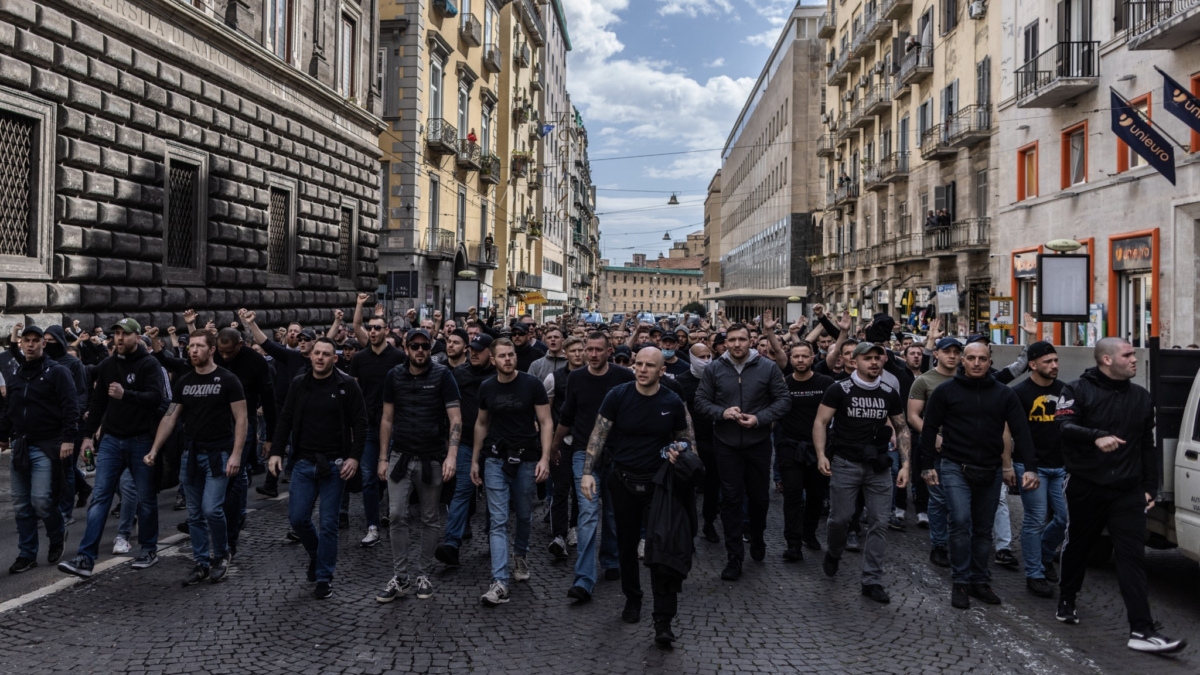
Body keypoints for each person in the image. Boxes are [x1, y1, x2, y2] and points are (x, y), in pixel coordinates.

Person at [1055, 338, 1186, 653]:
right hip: (1086, 485)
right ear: (1106, 360)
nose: (1134, 359)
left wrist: (1148, 488)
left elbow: (1146, 445)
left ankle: (1141, 630)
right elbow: (1064, 426)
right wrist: (1096, 437)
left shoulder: (1141, 397)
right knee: (1079, 545)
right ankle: (1067, 597)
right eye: (1127, 354)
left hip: (1127, 491)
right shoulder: (1076, 390)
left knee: (1132, 557)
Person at [580, 347, 694, 646]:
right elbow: (598, 435)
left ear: (661, 370)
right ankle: (633, 598)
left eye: (649, 365)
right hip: (623, 480)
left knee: (662, 549)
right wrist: (588, 471)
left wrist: (678, 452)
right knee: (626, 546)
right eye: (638, 364)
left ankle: (663, 619)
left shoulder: (672, 401)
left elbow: (686, 441)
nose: (642, 369)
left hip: (660, 484)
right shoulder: (618, 395)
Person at [920, 342, 1038, 610]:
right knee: (960, 521)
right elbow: (929, 429)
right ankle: (960, 581)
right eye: (971, 358)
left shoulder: (1004, 394)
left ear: (989, 360)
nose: (976, 363)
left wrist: (1029, 467)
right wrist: (927, 465)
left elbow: (1021, 431)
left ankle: (978, 580)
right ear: (962, 360)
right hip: (954, 466)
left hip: (990, 469)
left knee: (984, 530)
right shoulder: (945, 391)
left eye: (982, 359)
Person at [59, 319, 168, 578]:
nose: (119, 338)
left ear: (137, 337)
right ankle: (85, 558)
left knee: (145, 498)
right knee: (100, 497)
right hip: (110, 440)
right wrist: (87, 437)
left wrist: (126, 394)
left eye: (124, 334)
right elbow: (98, 403)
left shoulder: (149, 364)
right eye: (116, 334)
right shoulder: (108, 365)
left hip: (141, 439)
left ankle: (149, 549)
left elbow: (157, 399)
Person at [143, 331, 247, 585]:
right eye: (191, 346)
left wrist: (236, 454)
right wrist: (155, 449)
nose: (193, 350)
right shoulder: (184, 382)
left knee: (212, 509)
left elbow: (242, 419)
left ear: (212, 349)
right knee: (194, 514)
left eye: (200, 346)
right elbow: (170, 416)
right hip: (190, 456)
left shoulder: (228, 379)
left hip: (219, 454)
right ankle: (201, 562)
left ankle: (222, 555)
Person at [269, 338, 368, 600]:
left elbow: (360, 424)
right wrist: (276, 451)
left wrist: (354, 458)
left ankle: (324, 576)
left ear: (334, 359)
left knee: (328, 524)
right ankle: (315, 553)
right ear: (310, 356)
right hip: (303, 462)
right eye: (317, 354)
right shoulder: (299, 384)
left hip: (335, 464)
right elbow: (286, 418)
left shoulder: (347, 385)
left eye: (326, 354)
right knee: (298, 519)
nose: (321, 358)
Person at [813, 342, 910, 603]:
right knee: (840, 519)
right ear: (855, 362)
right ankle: (834, 551)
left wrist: (905, 464)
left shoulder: (889, 392)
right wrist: (822, 455)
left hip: (877, 467)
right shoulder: (839, 389)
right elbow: (821, 422)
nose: (875, 362)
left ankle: (872, 580)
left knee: (880, 521)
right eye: (868, 358)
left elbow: (901, 429)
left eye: (878, 358)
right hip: (845, 463)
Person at [694, 323, 791, 581]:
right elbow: (701, 402)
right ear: (726, 343)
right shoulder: (714, 368)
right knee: (732, 499)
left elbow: (783, 401)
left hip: (758, 443)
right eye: (732, 340)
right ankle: (734, 556)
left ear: (751, 341)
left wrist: (759, 418)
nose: (737, 344)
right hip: (725, 443)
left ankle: (757, 536)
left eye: (742, 339)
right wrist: (722, 413)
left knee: (759, 499)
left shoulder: (767, 367)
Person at [375, 329, 462, 602]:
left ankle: (423, 573)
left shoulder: (443, 375)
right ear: (406, 347)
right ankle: (401, 576)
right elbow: (387, 419)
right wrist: (382, 457)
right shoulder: (394, 376)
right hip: (400, 456)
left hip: (432, 458)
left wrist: (452, 455)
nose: (421, 350)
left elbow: (456, 418)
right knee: (397, 515)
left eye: (425, 346)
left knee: (429, 517)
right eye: (415, 346)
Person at [553, 332, 636, 600]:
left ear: (609, 351)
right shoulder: (575, 378)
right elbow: (567, 416)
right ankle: (584, 578)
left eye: (599, 350)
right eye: (589, 349)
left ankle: (610, 558)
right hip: (582, 453)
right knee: (588, 515)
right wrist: (553, 447)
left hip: (616, 454)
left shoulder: (623, 377)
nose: (593, 354)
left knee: (612, 513)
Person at [470, 338, 553, 606]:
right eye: (503, 356)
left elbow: (545, 421)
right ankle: (500, 582)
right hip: (495, 459)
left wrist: (545, 458)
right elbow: (481, 424)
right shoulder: (487, 387)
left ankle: (520, 553)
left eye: (512, 355)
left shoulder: (532, 384)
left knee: (525, 514)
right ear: (492, 360)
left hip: (527, 459)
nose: (508, 359)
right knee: (497, 520)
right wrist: (475, 460)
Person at [0, 325, 79, 574]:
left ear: (43, 345)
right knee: (21, 505)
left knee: (42, 501)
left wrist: (68, 439)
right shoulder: (16, 375)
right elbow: (9, 409)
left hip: (46, 445)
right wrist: (2, 436)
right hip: (20, 445)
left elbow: (70, 407)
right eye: (27, 340)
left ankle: (57, 535)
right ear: (21, 344)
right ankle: (27, 553)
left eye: (36, 340)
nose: (31, 344)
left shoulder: (57, 372)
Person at [344, 297, 406, 543]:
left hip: (396, 425)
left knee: (393, 475)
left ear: (387, 330)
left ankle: (394, 516)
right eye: (370, 328)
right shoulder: (359, 359)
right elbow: (355, 394)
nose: (372, 332)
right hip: (369, 425)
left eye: (377, 328)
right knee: (369, 476)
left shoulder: (399, 357)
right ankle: (372, 525)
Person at [1011, 341, 1068, 598]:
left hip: (1061, 466)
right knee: (1035, 519)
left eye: (1055, 360)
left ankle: (1045, 555)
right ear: (1032, 365)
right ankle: (1035, 574)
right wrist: (1011, 467)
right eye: (1048, 361)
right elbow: (1013, 433)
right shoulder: (1020, 393)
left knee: (1065, 518)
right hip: (1031, 465)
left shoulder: (1066, 390)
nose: (1054, 366)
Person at [436, 334, 496, 566]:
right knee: (461, 490)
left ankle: (494, 537)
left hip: (493, 444)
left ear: (490, 353)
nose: (473, 353)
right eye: (471, 349)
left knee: (494, 493)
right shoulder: (457, 374)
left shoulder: (498, 376)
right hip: (464, 442)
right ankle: (452, 543)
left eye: (479, 350)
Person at [242, 309, 314, 497]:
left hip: (308, 412)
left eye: (306, 339)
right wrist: (251, 323)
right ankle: (271, 484)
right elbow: (266, 343)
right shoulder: (292, 357)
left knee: (301, 447)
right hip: (285, 407)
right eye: (301, 339)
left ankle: (303, 480)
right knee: (278, 443)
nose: (303, 342)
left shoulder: (320, 359)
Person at [778, 342, 835, 559]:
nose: (800, 360)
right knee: (792, 496)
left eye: (804, 356)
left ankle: (809, 533)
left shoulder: (826, 383)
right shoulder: (783, 385)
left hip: (819, 449)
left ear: (813, 358)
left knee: (816, 495)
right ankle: (793, 543)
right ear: (790, 359)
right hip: (790, 447)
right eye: (796, 357)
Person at [907, 337, 961, 567]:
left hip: (964, 447)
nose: (952, 356)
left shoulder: (968, 379)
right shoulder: (924, 381)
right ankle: (939, 545)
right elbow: (913, 416)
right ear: (936, 354)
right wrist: (933, 437)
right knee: (938, 499)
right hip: (937, 448)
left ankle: (960, 543)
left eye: (956, 352)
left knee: (961, 502)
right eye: (946, 351)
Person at [673, 342, 720, 542]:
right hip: (688, 440)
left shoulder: (718, 378)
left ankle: (709, 522)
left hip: (714, 439)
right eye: (701, 357)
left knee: (713, 484)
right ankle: (686, 527)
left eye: (708, 356)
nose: (706, 361)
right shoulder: (681, 382)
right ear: (691, 358)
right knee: (685, 484)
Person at [544, 336, 586, 560]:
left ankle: (574, 527)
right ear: (565, 354)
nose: (578, 354)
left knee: (581, 491)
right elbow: (546, 413)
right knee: (560, 490)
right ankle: (558, 534)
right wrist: (550, 442)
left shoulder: (591, 377)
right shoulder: (554, 378)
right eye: (574, 351)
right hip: (561, 441)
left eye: (581, 350)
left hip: (584, 442)